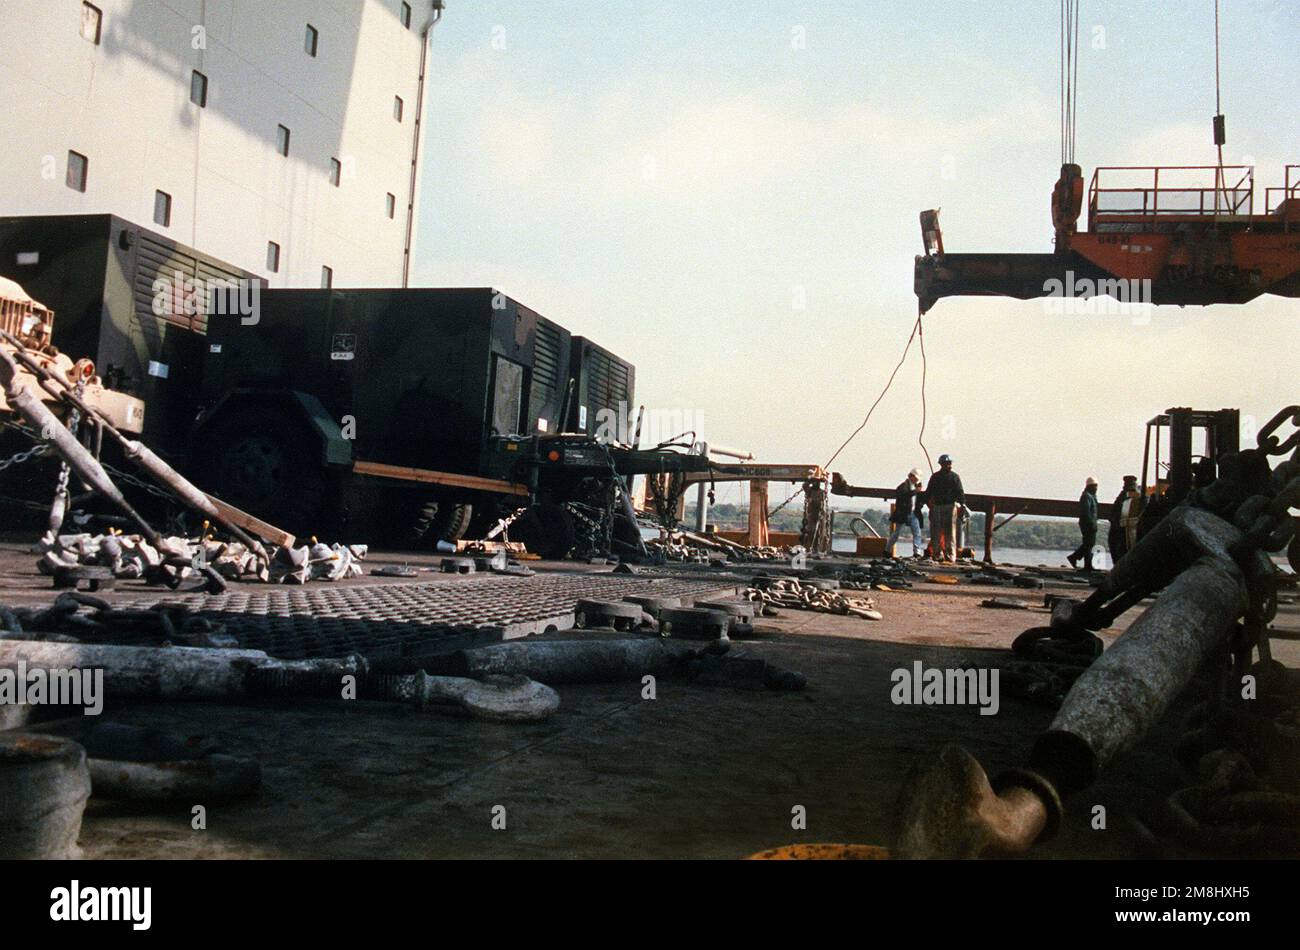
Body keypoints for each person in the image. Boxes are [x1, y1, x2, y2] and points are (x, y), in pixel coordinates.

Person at [926, 454, 965, 561]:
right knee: (936, 532)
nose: (949, 465)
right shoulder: (935, 477)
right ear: (942, 464)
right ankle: (937, 554)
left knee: (950, 532)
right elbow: (929, 492)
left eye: (950, 463)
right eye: (947, 464)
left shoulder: (954, 477)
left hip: (950, 506)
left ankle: (950, 555)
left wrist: (962, 504)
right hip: (937, 506)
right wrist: (928, 504)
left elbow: (960, 492)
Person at [887, 469, 925, 558]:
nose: (916, 480)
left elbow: (918, 499)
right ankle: (887, 549)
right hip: (903, 512)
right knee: (897, 533)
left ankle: (917, 552)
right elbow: (903, 495)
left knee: (917, 533)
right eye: (915, 478)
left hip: (912, 512)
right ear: (910, 476)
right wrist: (916, 491)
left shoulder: (915, 487)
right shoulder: (903, 486)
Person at [1068, 476, 1100, 571]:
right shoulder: (1087, 496)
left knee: (1088, 544)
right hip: (1087, 524)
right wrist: (1091, 523)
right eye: (1094, 486)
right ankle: (1086, 564)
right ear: (1090, 486)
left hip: (1089, 523)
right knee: (1089, 544)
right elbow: (1086, 512)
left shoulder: (1090, 496)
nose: (1096, 488)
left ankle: (1077, 559)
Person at [1107, 475, 1139, 562]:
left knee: (1117, 547)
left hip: (1122, 528)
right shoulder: (1127, 495)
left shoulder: (1126, 495)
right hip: (1120, 527)